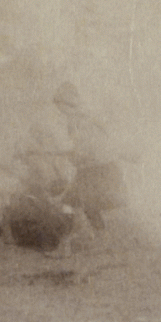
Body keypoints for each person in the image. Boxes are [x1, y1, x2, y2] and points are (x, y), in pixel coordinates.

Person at [52, 82, 126, 235]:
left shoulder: (77, 121)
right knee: (85, 202)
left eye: (61, 105)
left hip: (95, 167)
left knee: (70, 202)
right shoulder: (86, 117)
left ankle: (65, 246)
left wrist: (69, 154)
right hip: (100, 166)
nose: (60, 110)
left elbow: (85, 149)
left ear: (67, 104)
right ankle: (100, 235)